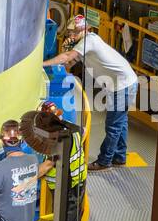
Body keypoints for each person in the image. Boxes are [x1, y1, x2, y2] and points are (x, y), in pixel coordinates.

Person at [43, 13, 138, 171]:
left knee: (113, 126)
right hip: (121, 84)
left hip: (123, 86)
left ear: (84, 30)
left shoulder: (89, 41)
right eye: (70, 33)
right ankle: (119, 157)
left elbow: (66, 57)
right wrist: (66, 51)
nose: (71, 36)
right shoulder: (85, 42)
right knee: (120, 123)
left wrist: (43, 64)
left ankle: (104, 162)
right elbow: (69, 64)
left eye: (74, 33)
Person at [33, 100, 87, 221]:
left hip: (67, 189)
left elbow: (48, 165)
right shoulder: (71, 127)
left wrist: (26, 178)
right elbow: (84, 132)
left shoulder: (57, 139)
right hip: (79, 183)